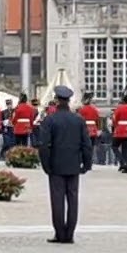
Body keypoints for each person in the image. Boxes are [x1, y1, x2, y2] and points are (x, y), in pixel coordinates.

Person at [36, 86, 92, 244]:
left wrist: (46, 165)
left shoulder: (50, 120)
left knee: (57, 200)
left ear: (56, 99)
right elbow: (86, 145)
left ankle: (60, 233)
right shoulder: (78, 119)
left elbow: (43, 145)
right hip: (74, 165)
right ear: (69, 100)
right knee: (73, 199)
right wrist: (86, 164)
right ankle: (70, 234)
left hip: (56, 165)